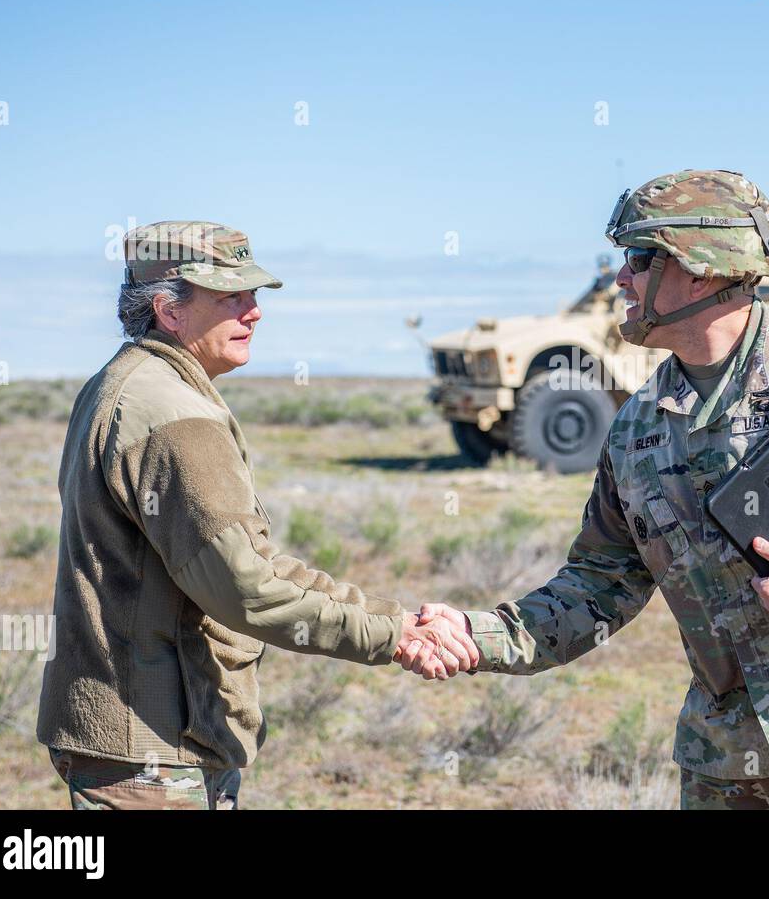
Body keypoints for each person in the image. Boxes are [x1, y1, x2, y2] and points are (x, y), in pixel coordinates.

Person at [402, 171, 769, 809]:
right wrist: (476, 632)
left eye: (636, 258)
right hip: (727, 759)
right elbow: (599, 586)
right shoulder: (635, 426)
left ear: (702, 268)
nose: (619, 280)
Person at [37, 221, 475, 810]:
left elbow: (242, 568)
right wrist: (395, 633)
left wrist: (390, 620)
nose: (254, 313)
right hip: (155, 753)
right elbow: (248, 587)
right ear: (169, 310)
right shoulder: (171, 414)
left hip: (140, 737)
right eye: (231, 297)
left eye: (254, 296)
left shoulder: (125, 383)